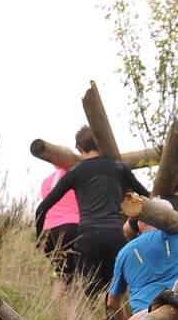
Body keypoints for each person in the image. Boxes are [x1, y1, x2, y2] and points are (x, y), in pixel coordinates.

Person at [35, 126, 150, 298]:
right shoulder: (119, 167)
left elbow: (42, 207)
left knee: (91, 292)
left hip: (87, 237)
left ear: (79, 148)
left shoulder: (76, 171)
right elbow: (145, 195)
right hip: (114, 234)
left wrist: (39, 238)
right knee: (113, 291)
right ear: (100, 144)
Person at [38, 166, 80, 296]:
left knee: (60, 272)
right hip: (72, 228)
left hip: (48, 232)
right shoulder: (76, 176)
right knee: (77, 274)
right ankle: (76, 311)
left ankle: (56, 308)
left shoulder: (46, 181)